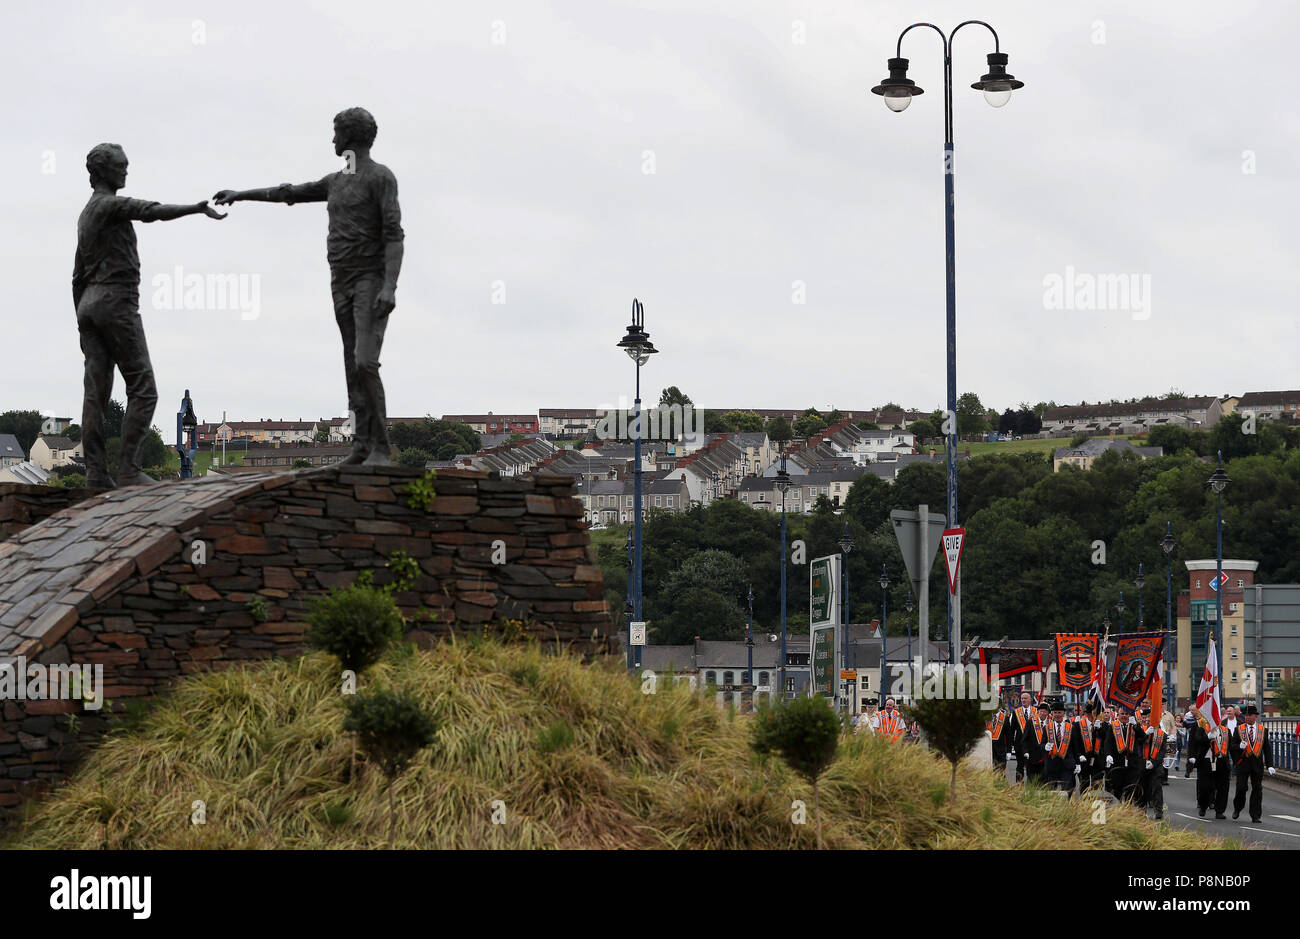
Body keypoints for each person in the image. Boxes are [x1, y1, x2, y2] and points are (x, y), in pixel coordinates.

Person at [214, 107, 405, 466]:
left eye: (336, 133)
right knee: (352, 364)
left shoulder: (381, 178)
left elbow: (394, 236)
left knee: (366, 362)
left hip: (370, 279)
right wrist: (240, 194)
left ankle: (380, 447)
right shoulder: (335, 181)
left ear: (350, 137)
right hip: (341, 281)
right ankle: (362, 445)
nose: (332, 140)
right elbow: (288, 192)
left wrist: (389, 286)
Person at [73, 144, 226, 488]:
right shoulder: (110, 205)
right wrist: (195, 208)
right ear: (103, 171)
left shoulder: (86, 214)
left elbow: (77, 274)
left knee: (95, 394)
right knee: (144, 388)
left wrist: (81, 322)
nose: (126, 171)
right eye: (121, 166)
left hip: (89, 306)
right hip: (116, 303)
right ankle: (128, 468)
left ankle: (96, 474)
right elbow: (151, 211)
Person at [1231, 705, 1275, 824]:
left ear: (1255, 717)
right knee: (1241, 788)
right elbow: (1232, 746)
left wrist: (1270, 765)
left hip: (1257, 765)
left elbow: (1267, 749)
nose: (1248, 717)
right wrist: (1239, 747)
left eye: (1250, 715)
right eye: (1246, 715)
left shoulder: (1263, 730)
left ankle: (1255, 815)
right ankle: (1237, 808)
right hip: (1243, 764)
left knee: (1257, 790)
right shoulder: (1239, 729)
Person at [1188, 710, 1231, 819]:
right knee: (1205, 787)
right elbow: (1197, 741)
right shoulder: (1202, 729)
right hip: (1206, 761)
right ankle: (1203, 806)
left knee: (1222, 788)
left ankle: (1219, 811)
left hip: (1221, 762)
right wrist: (1208, 736)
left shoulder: (1226, 730)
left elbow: (1231, 747)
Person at [1132, 707, 1168, 820]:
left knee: (1156, 787)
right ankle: (1141, 810)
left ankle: (1158, 811)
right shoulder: (1140, 731)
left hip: (1155, 766)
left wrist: (1154, 762)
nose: (1148, 720)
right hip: (1142, 764)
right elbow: (1136, 745)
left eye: (1151, 718)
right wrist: (1144, 735)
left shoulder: (1162, 734)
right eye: (1146, 718)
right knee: (1141, 788)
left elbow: (1162, 752)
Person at [1104, 707, 1141, 802]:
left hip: (1132, 763)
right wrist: (1108, 754)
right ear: (1118, 715)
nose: (1124, 716)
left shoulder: (1134, 726)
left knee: (1130, 789)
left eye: (1126, 714)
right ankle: (1118, 811)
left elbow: (1143, 738)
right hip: (1117, 762)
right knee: (1117, 789)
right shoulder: (1112, 726)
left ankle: (1128, 810)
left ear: (1129, 715)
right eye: (1122, 714)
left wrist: (1136, 726)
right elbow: (1108, 742)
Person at [1043, 700, 1079, 795]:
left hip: (1067, 765)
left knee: (1067, 792)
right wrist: (1045, 747)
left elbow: (1076, 747)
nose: (1057, 715)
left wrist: (1078, 763)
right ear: (1052, 714)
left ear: (1063, 714)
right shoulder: (1047, 728)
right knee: (1050, 793)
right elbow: (1041, 744)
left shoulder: (1071, 728)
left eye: (1059, 712)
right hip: (1051, 764)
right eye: (1055, 712)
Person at [1072, 701, 1104, 791]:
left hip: (1097, 761)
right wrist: (1078, 755)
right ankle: (1084, 803)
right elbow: (1075, 743)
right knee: (1084, 785)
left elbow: (1105, 739)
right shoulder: (1078, 725)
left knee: (1097, 786)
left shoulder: (1101, 725)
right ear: (1088, 714)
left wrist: (1100, 729)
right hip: (1084, 759)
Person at [1019, 701, 1051, 785]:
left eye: (1045, 711)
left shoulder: (1050, 723)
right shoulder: (1031, 722)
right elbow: (1024, 739)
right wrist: (1025, 751)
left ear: (1047, 713)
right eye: (1041, 711)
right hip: (1032, 755)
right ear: (1038, 712)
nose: (1042, 713)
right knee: (1031, 779)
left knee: (1044, 780)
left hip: (1045, 756)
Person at [1009, 692, 1035, 782]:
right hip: (1019, 744)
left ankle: (1030, 786)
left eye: (1025, 698)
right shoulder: (1016, 712)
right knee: (1020, 765)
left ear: (1030, 700)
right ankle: (1018, 786)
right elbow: (1012, 729)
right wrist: (1011, 744)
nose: (1023, 700)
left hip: (1032, 744)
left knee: (1031, 766)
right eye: (1022, 698)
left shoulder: (1035, 712)